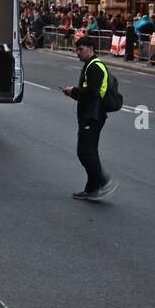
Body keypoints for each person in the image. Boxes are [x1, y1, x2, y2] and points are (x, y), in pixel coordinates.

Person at [63, 36, 117, 201]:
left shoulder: (95, 67)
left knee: (84, 152)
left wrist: (74, 91)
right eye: (77, 49)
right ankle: (91, 189)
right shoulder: (90, 66)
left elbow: (93, 93)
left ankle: (103, 182)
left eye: (81, 49)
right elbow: (90, 93)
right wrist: (73, 93)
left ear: (91, 49)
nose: (78, 53)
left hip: (93, 115)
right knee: (90, 151)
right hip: (91, 114)